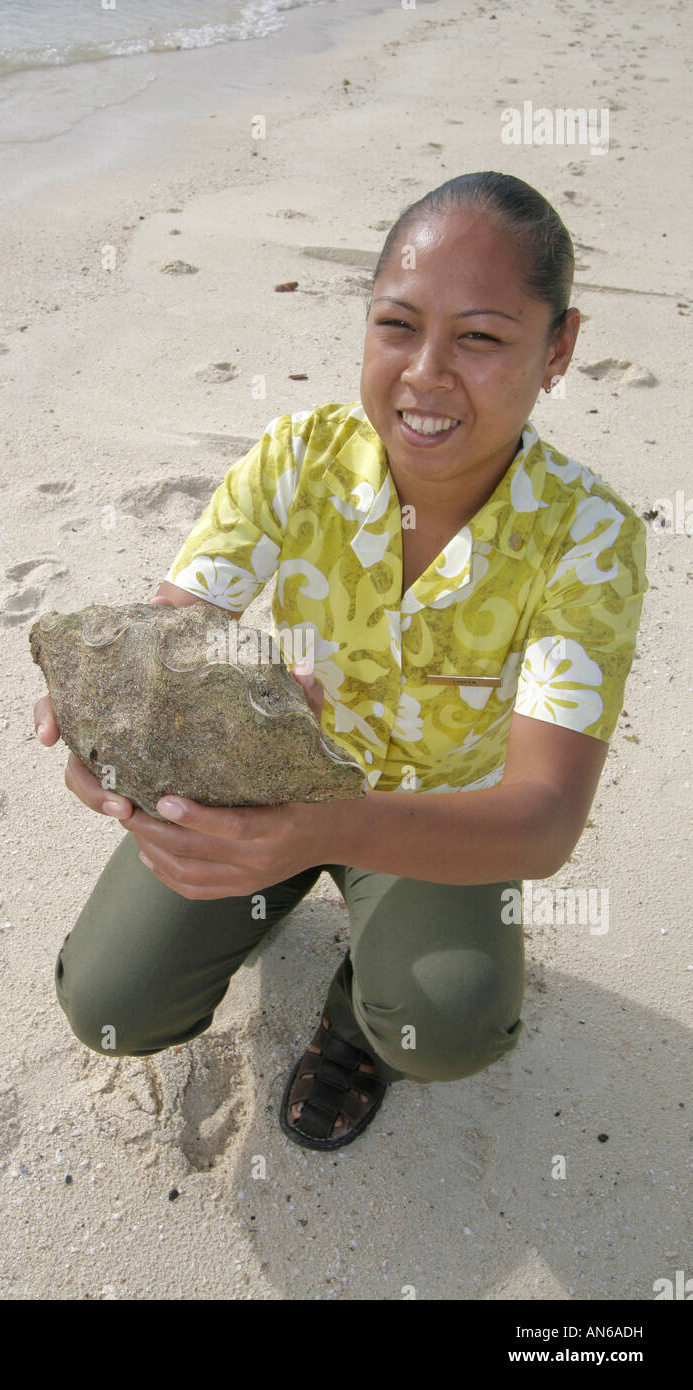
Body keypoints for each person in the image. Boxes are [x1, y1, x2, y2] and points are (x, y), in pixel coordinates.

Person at [34, 172, 648, 1152]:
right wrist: (108, 732)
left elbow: (539, 822)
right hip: (261, 778)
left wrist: (329, 824)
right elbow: (173, 636)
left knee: (444, 1023)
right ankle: (269, 893)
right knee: (110, 1000)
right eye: (396, 325)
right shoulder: (297, 460)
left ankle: (360, 1014)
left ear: (557, 349)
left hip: (436, 815)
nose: (425, 375)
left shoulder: (586, 540)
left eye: (480, 337)